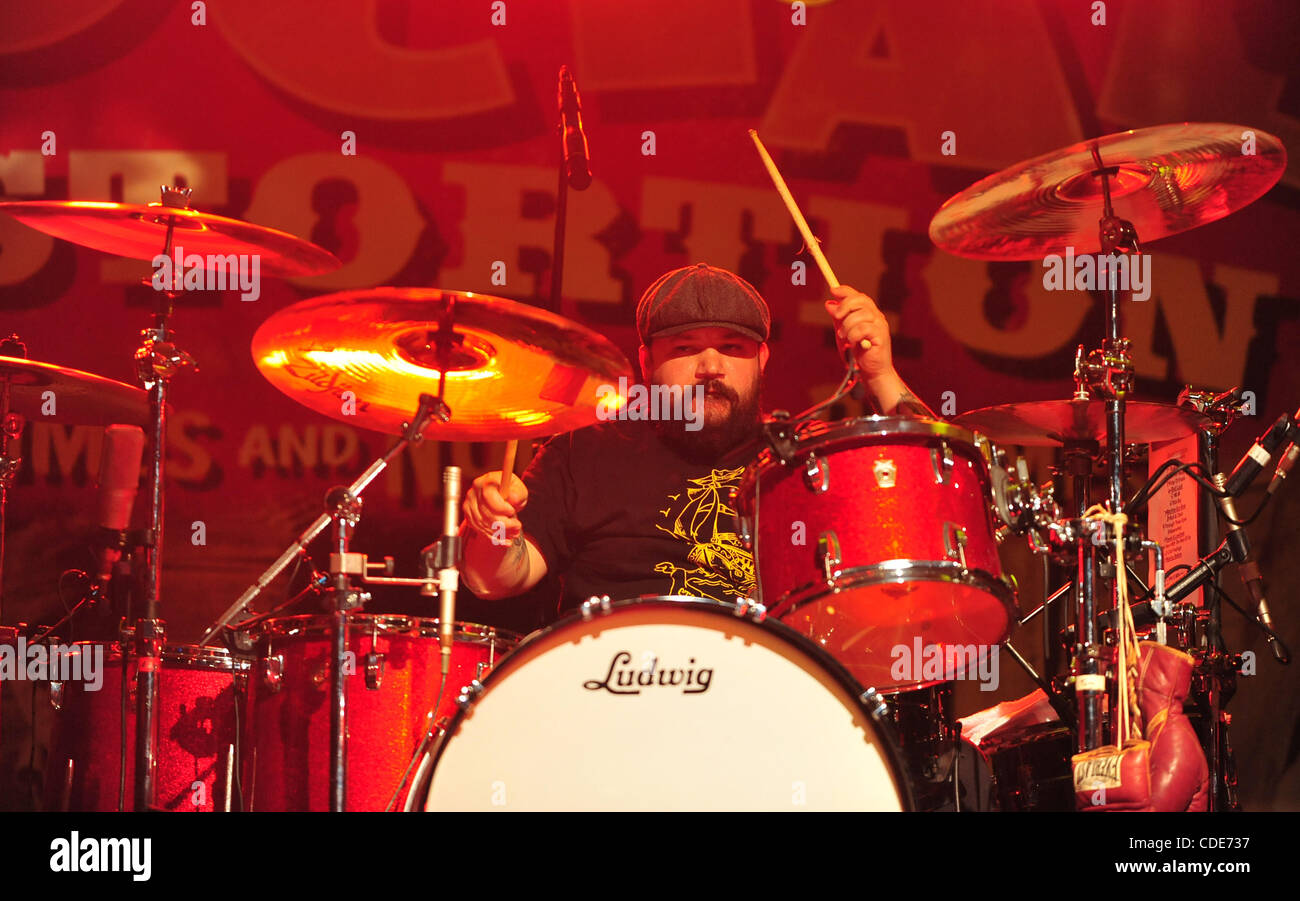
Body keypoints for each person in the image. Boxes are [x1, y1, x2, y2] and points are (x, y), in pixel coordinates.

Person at [459, 262, 935, 612]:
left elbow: (933, 500)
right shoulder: (583, 450)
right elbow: (494, 580)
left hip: (770, 698)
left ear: (762, 360)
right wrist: (491, 527)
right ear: (646, 363)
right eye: (685, 349)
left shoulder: (807, 457)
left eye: (732, 348)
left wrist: (881, 376)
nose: (711, 367)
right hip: (612, 694)